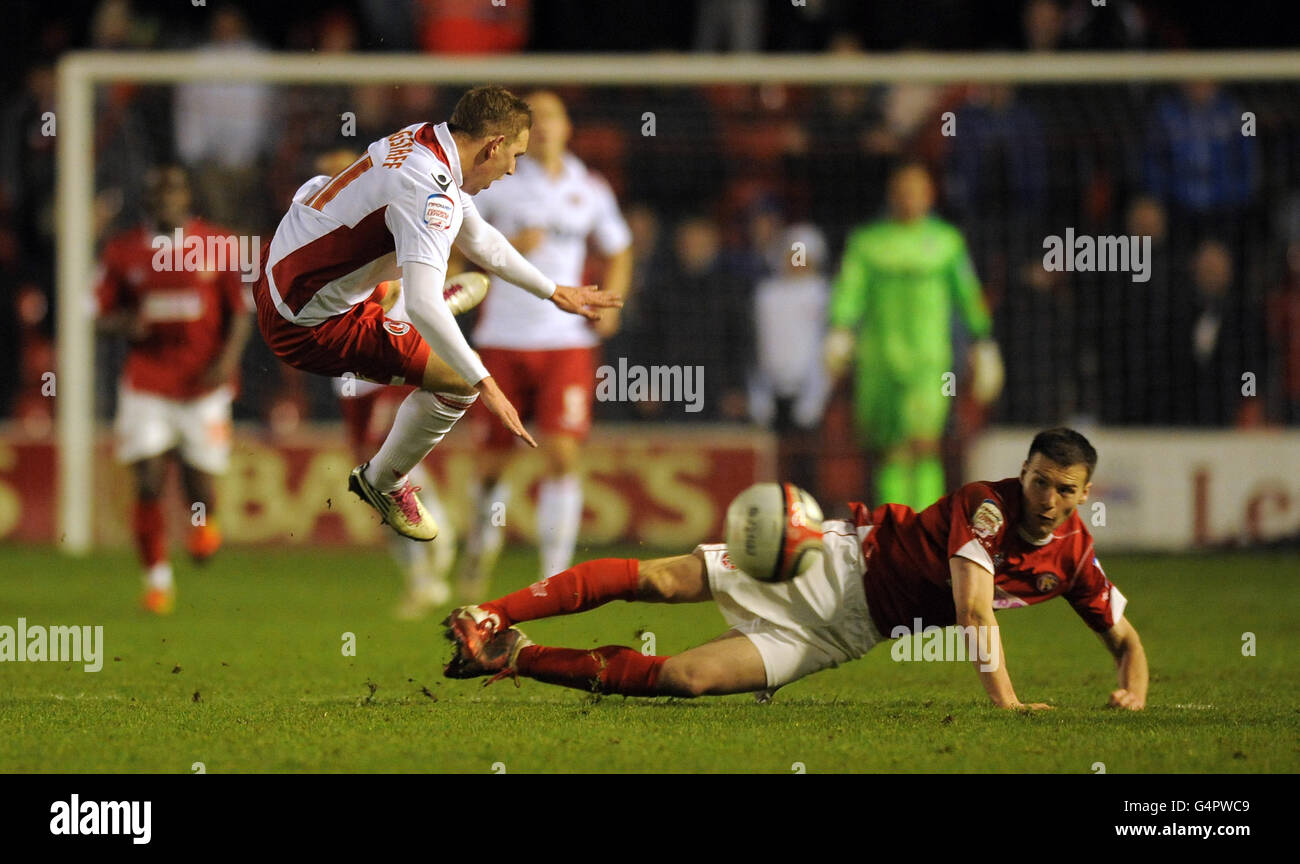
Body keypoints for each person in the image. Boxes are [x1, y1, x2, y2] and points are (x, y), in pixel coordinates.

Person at [443, 428, 1148, 712]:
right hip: (832, 564)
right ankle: (492, 612)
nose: (1047, 498)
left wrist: (1133, 689)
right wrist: (1009, 704)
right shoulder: (985, 506)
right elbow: (972, 612)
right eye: (1038, 481)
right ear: (1021, 473)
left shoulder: (1075, 558)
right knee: (659, 581)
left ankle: (515, 658)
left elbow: (1125, 638)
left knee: (687, 679)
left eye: (1064, 488)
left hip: (843, 636)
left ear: (1085, 493)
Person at [251, 85, 620, 543]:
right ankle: (383, 481)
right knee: (457, 382)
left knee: (401, 261)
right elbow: (428, 301)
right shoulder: (430, 192)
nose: (511, 170)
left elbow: (480, 240)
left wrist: (552, 291)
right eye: (515, 156)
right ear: (494, 145)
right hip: (306, 323)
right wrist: (485, 385)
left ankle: (395, 303)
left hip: (279, 268)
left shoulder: (426, 140)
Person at [460, 89, 633, 592]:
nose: (548, 128)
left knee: (561, 454)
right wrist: (510, 248)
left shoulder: (589, 187)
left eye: (555, 118)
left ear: (567, 127)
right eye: (538, 122)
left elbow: (619, 248)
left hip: (565, 340)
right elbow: (457, 247)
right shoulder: (497, 181)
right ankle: (479, 550)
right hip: (503, 337)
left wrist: (612, 302)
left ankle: (553, 573)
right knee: (492, 464)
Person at [96, 164, 253, 614]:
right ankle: (157, 580)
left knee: (198, 483)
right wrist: (122, 323)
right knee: (146, 480)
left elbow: (239, 312)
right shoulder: (122, 251)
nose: (167, 199)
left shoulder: (219, 244)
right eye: (158, 192)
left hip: (202, 383)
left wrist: (225, 361)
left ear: (187, 198)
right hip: (147, 380)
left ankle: (206, 525)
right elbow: (99, 313)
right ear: (147, 200)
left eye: (175, 191)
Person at [825, 161, 1002, 511]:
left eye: (916, 190)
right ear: (892, 196)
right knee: (889, 447)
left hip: (929, 361)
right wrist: (840, 329)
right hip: (879, 360)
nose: (909, 198)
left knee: (924, 444)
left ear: (929, 195)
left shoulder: (946, 242)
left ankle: (925, 522)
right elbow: (850, 289)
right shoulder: (868, 242)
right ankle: (893, 525)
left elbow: (966, 293)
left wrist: (983, 341)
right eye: (903, 190)